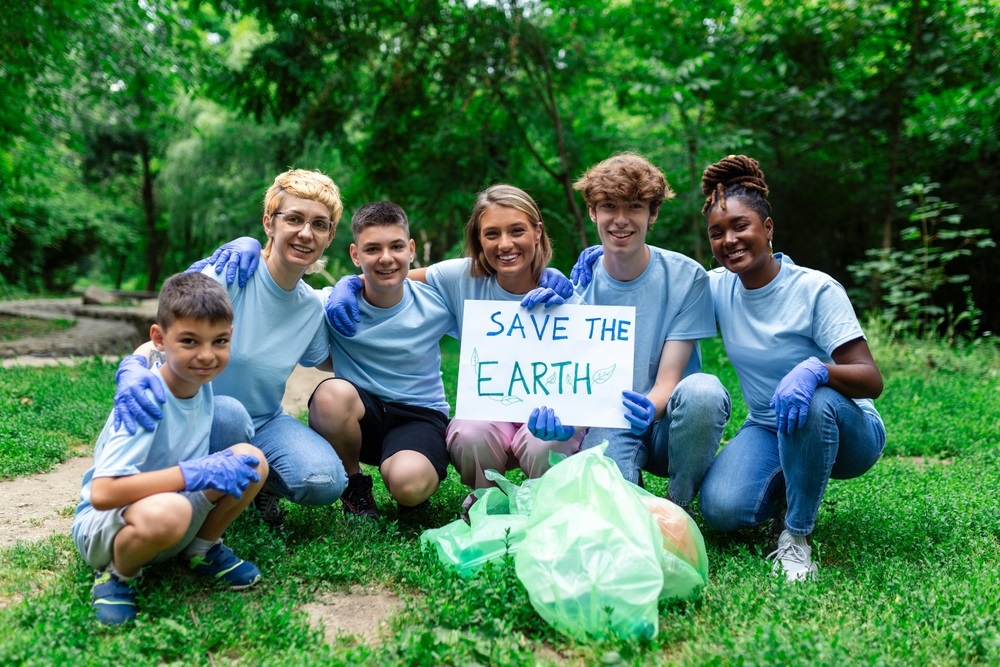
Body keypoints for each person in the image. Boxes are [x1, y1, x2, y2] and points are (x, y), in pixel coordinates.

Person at [112, 169, 349, 529]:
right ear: (269, 223)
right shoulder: (230, 274)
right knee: (228, 414)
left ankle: (257, 485)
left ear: (330, 236)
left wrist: (356, 285)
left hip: (264, 421)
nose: (305, 233)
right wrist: (134, 366)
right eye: (294, 219)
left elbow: (334, 360)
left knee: (324, 481)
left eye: (319, 224)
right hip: (199, 417)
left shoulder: (311, 307)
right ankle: (208, 508)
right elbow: (170, 335)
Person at [325, 184, 582, 514]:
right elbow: (391, 274)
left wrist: (556, 277)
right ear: (479, 239)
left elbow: (585, 369)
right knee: (467, 431)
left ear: (537, 232)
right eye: (492, 234)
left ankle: (547, 505)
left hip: (550, 411)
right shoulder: (460, 276)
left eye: (517, 230)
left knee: (547, 443)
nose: (505, 244)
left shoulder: (564, 295)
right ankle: (487, 500)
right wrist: (346, 284)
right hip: (495, 408)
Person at [695, 154, 886, 581]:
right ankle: (789, 486)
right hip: (767, 425)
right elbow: (658, 282)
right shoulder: (717, 287)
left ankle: (796, 536)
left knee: (812, 400)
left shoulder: (815, 289)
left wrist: (818, 369)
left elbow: (870, 379)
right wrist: (607, 256)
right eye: (717, 233)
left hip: (846, 428)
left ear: (767, 228)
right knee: (722, 509)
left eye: (740, 226)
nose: (729, 240)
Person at [72, 272, 267, 626]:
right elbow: (103, 493)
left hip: (167, 513)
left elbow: (167, 346)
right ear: (159, 340)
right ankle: (118, 575)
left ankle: (199, 551)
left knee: (251, 461)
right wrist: (191, 474)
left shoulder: (196, 381)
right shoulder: (144, 398)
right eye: (190, 341)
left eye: (219, 341)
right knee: (172, 510)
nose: (207, 355)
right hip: (108, 526)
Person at [566, 152, 731, 514]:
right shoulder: (577, 288)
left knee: (703, 390)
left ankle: (679, 504)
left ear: (652, 214)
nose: (621, 220)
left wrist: (652, 406)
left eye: (635, 207)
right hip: (612, 421)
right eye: (609, 206)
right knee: (610, 510)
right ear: (593, 212)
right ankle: (629, 486)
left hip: (674, 420)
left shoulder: (687, 277)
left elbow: (668, 380)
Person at [307, 201, 458, 519]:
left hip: (418, 416)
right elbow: (280, 293)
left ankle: (410, 476)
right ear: (355, 254)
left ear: (411, 249)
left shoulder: (436, 303)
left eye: (396, 246)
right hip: (363, 418)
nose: (386, 258)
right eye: (372, 249)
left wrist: (546, 276)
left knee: (408, 486)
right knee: (330, 394)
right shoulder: (334, 304)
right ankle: (354, 485)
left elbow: (496, 294)